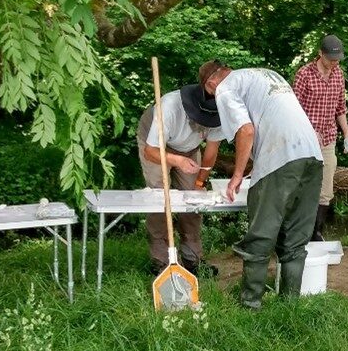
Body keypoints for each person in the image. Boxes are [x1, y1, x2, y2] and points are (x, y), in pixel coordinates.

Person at [200, 61, 323, 308]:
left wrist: (237, 175)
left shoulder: (225, 88)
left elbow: (246, 130)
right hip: (312, 156)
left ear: (211, 83)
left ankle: (250, 305)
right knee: (296, 239)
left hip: (280, 159)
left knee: (260, 236)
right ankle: (290, 305)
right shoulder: (267, 75)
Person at [138, 83, 224, 275]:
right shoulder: (168, 108)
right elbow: (150, 152)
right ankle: (162, 261)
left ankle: (193, 259)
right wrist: (176, 160)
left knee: (193, 200)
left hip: (190, 149)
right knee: (160, 198)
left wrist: (200, 182)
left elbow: (211, 152)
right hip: (156, 146)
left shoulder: (220, 112)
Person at [292, 34, 348, 241]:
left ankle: (316, 233)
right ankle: (296, 233)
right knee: (303, 184)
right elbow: (292, 109)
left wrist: (347, 135)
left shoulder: (338, 74)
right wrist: (309, 130)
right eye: (331, 59)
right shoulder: (304, 74)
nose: (335, 63)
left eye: (337, 59)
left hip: (328, 138)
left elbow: (340, 108)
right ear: (320, 54)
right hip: (304, 140)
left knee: (325, 189)